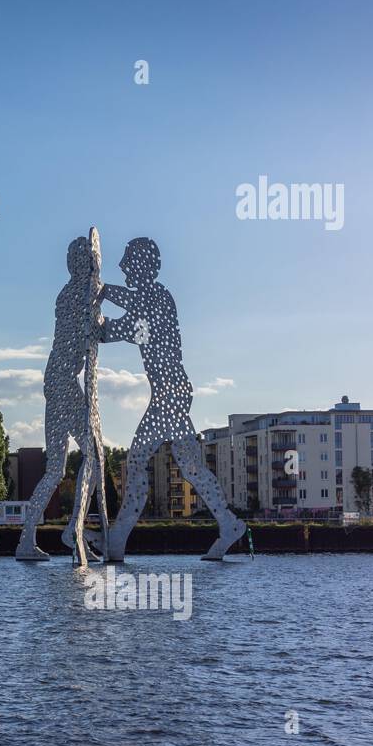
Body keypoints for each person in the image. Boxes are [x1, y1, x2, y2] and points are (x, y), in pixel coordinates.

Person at [97, 237, 246, 561]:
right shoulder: (146, 310)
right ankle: (229, 523)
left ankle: (117, 542)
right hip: (171, 394)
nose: (122, 266)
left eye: (127, 261)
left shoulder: (156, 298)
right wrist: (99, 309)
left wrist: (100, 289)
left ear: (143, 266)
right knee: (190, 466)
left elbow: (120, 320)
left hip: (170, 395)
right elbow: (114, 330)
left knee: (137, 462)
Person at [16, 235, 103, 561]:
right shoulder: (83, 292)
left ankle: (27, 541)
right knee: (94, 461)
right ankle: (72, 532)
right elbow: (95, 330)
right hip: (64, 384)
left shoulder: (68, 293)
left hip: (55, 383)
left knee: (55, 470)